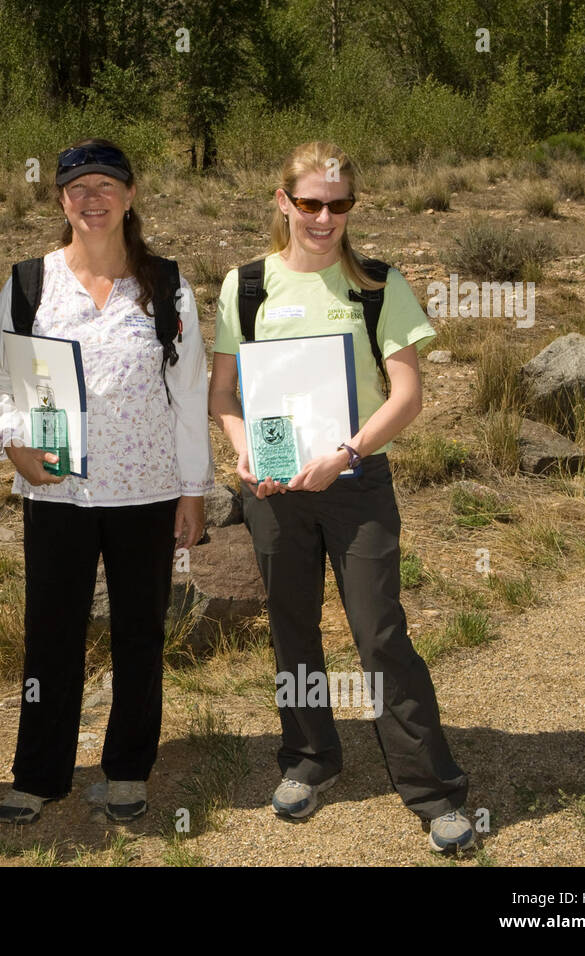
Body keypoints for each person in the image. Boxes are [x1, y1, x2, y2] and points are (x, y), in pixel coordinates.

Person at [208, 141, 474, 852]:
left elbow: (409, 394)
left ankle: (432, 788)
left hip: (355, 482)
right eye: (311, 203)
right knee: (293, 628)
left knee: (380, 632)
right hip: (273, 488)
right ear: (283, 201)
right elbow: (224, 394)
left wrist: (349, 452)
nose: (324, 217)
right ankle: (310, 759)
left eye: (339, 204)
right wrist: (239, 447)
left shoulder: (379, 285)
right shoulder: (247, 287)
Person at [0, 140, 211, 825]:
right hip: (57, 492)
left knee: (140, 634)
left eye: (105, 186)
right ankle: (39, 773)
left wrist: (194, 488)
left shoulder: (168, 285)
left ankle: (127, 768)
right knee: (49, 633)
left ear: (130, 194)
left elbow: (189, 389)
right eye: (77, 188)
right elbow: (2, 381)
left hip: (146, 490)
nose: (92, 199)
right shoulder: (29, 283)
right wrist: (13, 445)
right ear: (61, 199)